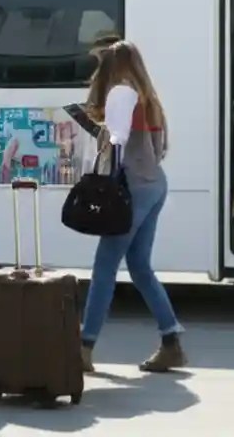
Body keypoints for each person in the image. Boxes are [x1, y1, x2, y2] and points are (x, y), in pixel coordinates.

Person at [78, 40, 187, 374]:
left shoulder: (121, 93)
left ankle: (84, 347)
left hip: (134, 188)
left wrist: (98, 137)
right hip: (155, 183)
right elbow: (154, 144)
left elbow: (117, 139)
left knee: (104, 267)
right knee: (139, 266)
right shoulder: (148, 97)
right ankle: (171, 342)